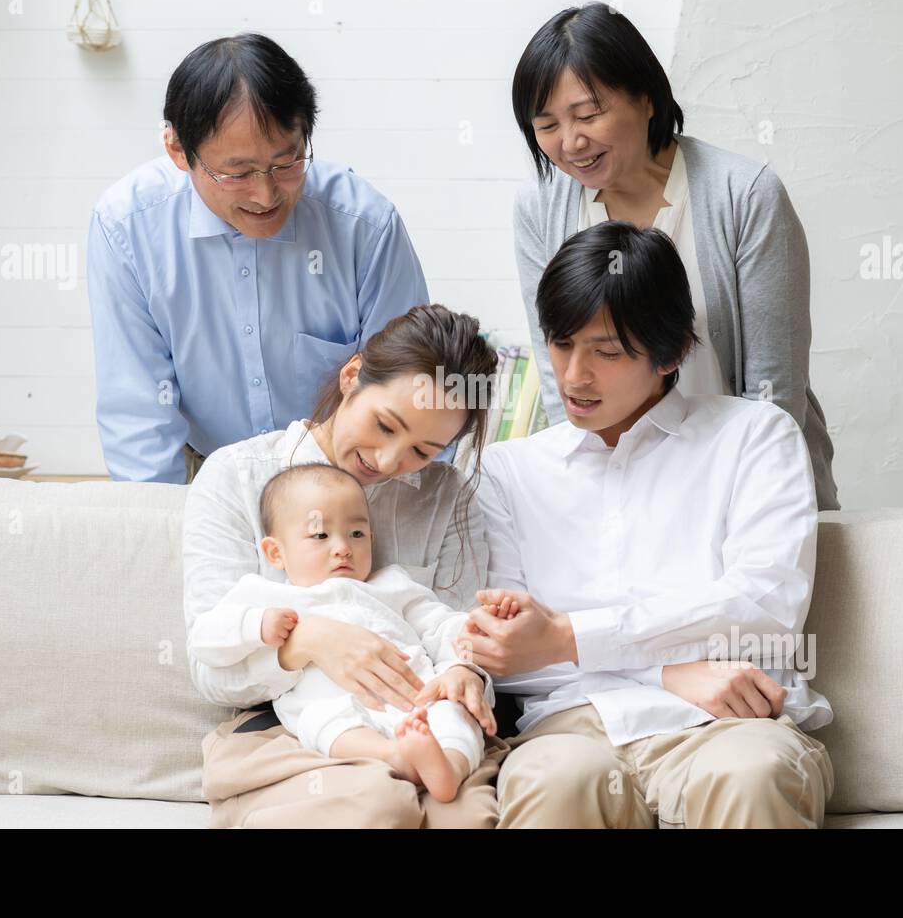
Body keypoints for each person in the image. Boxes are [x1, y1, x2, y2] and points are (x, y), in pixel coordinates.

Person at [466, 220, 835, 828]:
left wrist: (568, 635)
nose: (574, 376)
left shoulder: (755, 437)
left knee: (754, 773)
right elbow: (511, 650)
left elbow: (764, 607)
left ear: (672, 352)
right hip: (574, 727)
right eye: (562, 343)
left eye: (607, 351)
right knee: (552, 781)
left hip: (726, 723)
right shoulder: (507, 471)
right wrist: (666, 669)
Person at [185, 304, 508, 827]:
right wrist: (309, 642)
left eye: (423, 450)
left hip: (421, 718)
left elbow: (461, 633)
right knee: (376, 805)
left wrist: (465, 672)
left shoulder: (448, 498)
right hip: (290, 730)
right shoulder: (237, 477)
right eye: (384, 425)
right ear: (352, 376)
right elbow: (208, 668)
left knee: (465, 818)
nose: (387, 461)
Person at [511, 2, 840, 510]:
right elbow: (564, 387)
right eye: (547, 123)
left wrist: (742, 506)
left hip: (748, 486)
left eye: (589, 114)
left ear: (646, 98)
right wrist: (596, 499)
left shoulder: (744, 196)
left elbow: (776, 392)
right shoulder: (540, 209)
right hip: (617, 493)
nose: (570, 142)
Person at [87, 33, 429, 484]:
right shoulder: (127, 227)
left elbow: (406, 391)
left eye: (286, 163)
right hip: (203, 468)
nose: (266, 194)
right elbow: (139, 413)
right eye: (237, 172)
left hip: (344, 472)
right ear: (177, 150)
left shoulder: (364, 224)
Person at [196, 462, 499, 803]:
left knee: (456, 713)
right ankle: (392, 756)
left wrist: (465, 654)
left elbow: (441, 624)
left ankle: (449, 769)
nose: (342, 547)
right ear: (275, 552)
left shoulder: (393, 585)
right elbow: (205, 641)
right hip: (337, 710)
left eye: (356, 534)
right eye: (320, 535)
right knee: (318, 720)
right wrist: (257, 626)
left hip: (416, 700)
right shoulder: (267, 597)